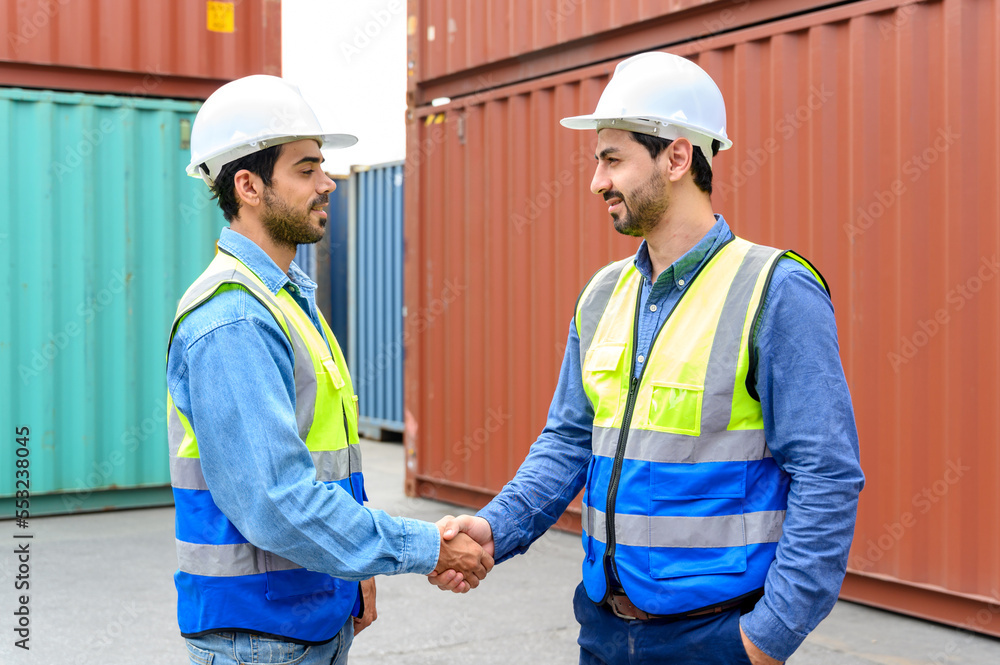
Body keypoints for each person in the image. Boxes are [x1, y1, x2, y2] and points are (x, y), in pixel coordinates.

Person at [430, 52, 865, 664]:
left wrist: (766, 639)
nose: (596, 181)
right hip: (604, 629)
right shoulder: (604, 293)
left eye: (612, 159)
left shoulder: (775, 289)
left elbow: (828, 476)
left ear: (678, 157)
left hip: (715, 637)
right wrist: (496, 529)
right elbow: (568, 443)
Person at [166, 75, 492, 665]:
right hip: (259, 637)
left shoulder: (287, 299)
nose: (328, 182)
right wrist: (427, 548)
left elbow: (327, 466)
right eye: (307, 168)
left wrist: (353, 567)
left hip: (305, 617)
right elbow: (277, 502)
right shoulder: (234, 318)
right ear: (248, 185)